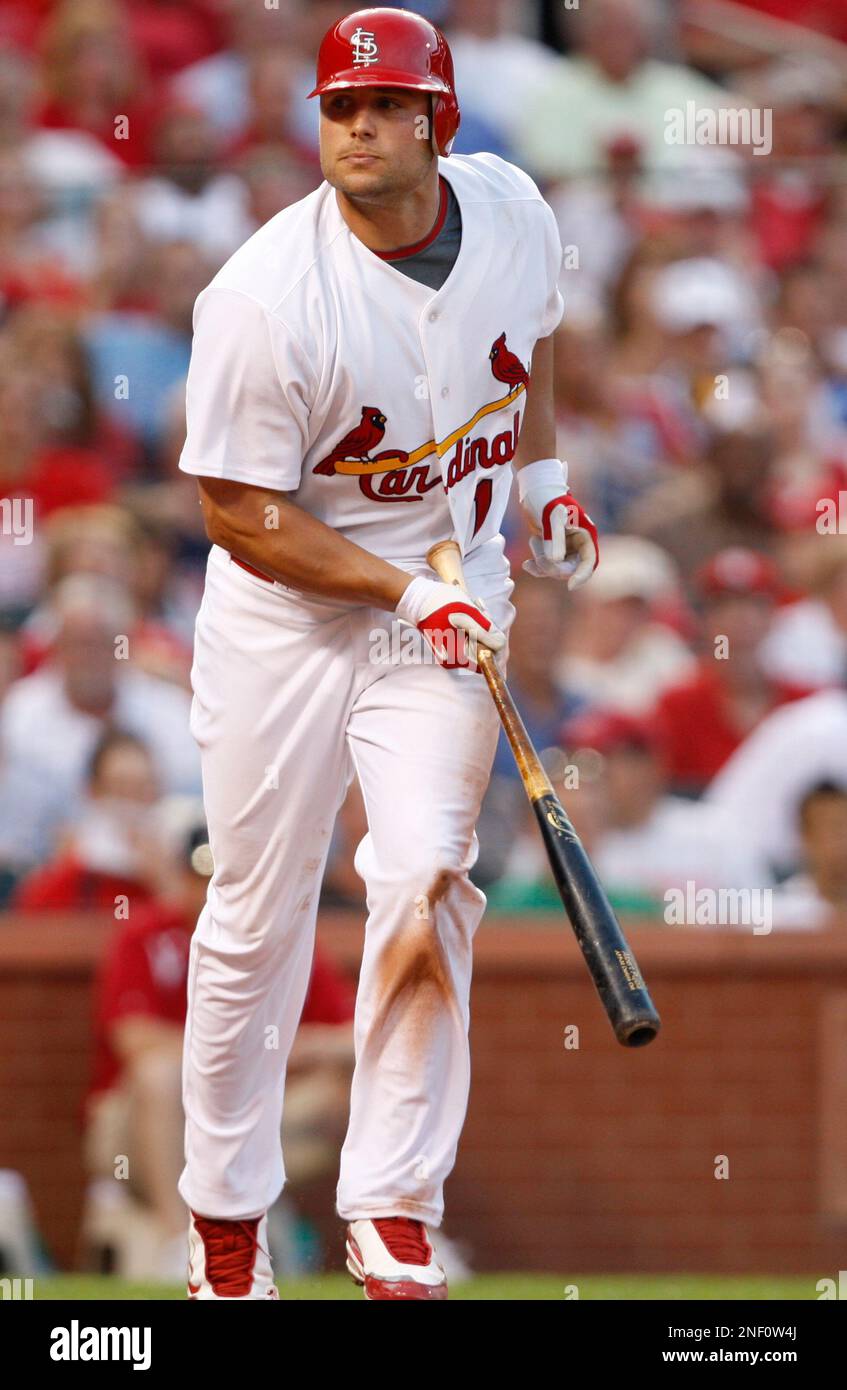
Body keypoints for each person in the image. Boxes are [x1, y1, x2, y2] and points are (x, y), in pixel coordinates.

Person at [176, 7, 598, 1300]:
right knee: (255, 918)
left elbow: (529, 350)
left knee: (424, 871)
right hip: (288, 619)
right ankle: (224, 1230)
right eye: (338, 108)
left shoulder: (513, 210)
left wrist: (544, 483)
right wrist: (396, 594)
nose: (356, 128)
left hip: (452, 595)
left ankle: (391, 1209)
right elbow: (234, 513)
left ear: (439, 120)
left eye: (385, 107)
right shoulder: (260, 297)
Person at [84, 803, 356, 1280]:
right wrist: (247, 1052)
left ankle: (381, 1226)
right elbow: (134, 1041)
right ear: (180, 876)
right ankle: (179, 1244)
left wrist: (294, 1049)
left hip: (254, 1112)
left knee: (339, 1086)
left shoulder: (281, 940)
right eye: (199, 874)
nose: (209, 888)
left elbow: (356, 1039)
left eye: (223, 873)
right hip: (144, 1120)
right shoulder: (146, 933)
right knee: (159, 1075)